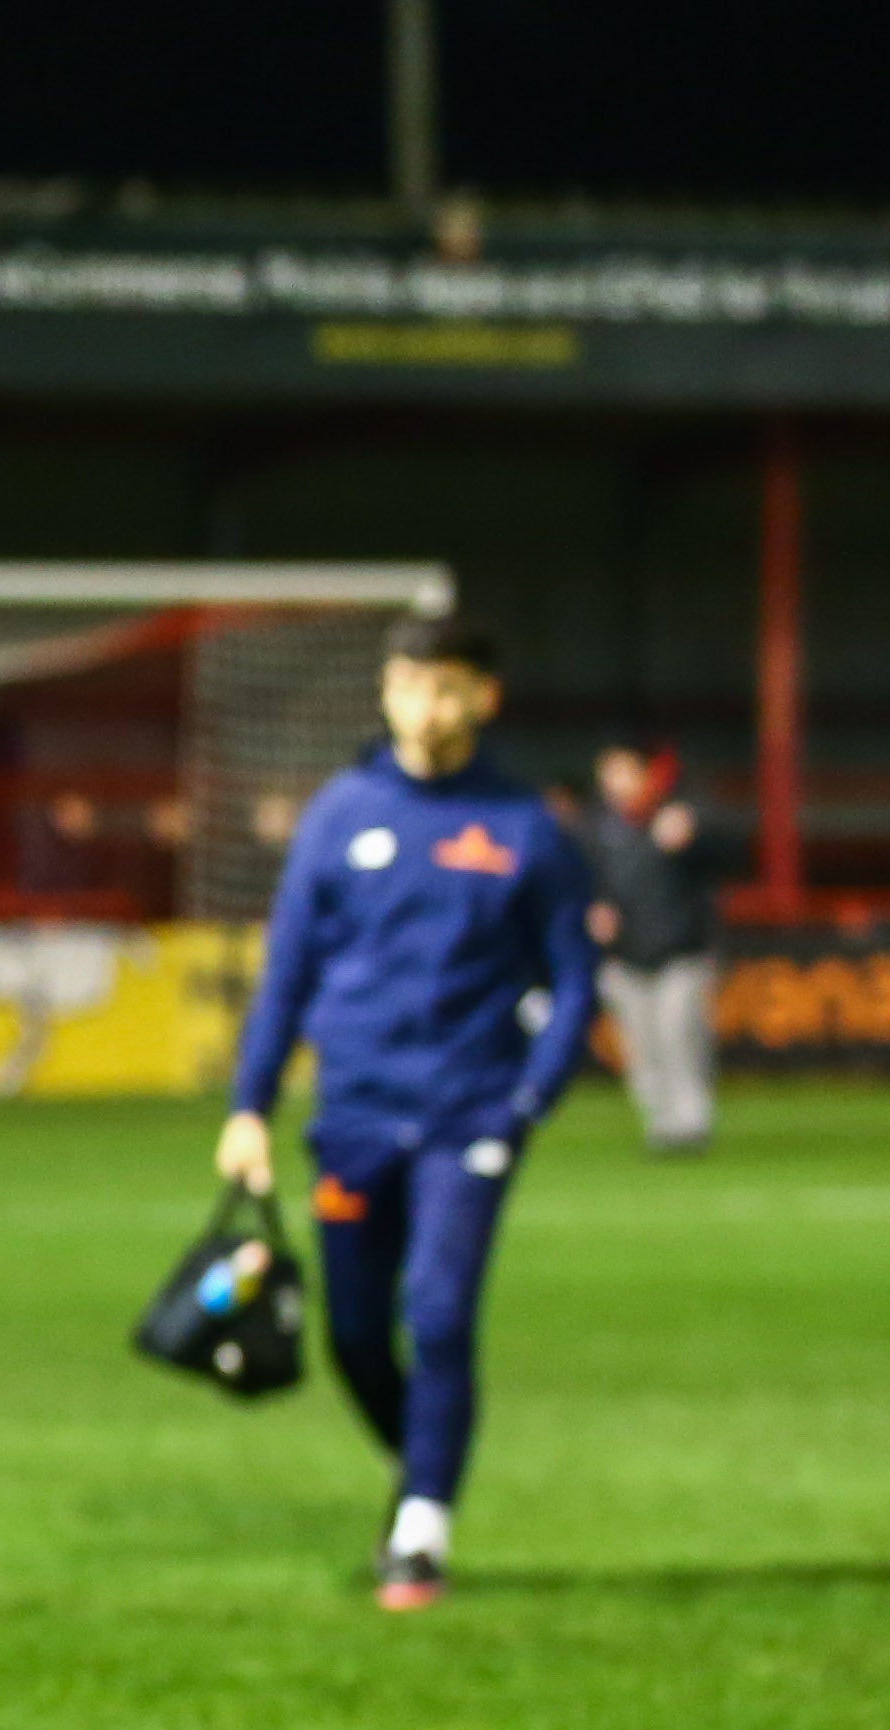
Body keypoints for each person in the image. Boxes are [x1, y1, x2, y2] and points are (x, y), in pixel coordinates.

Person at [215, 611, 595, 1612]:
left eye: (444, 685)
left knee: (436, 1311)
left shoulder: (525, 827)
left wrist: (527, 1100)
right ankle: (428, 1461)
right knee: (349, 1337)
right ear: (383, 692)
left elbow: (574, 981)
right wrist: (247, 1104)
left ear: (482, 696)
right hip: (353, 1116)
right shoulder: (338, 816)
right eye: (407, 684)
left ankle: (420, 1527)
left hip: (470, 1115)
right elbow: (287, 970)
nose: (424, 705)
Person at [579, 741, 727, 1155]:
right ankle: (661, 1121)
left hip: (681, 951)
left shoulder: (682, 812)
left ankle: (691, 1121)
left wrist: (694, 836)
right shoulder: (599, 825)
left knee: (680, 1035)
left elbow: (730, 852)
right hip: (624, 956)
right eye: (607, 772)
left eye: (622, 770)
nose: (613, 781)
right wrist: (593, 909)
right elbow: (581, 879)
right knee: (642, 1047)